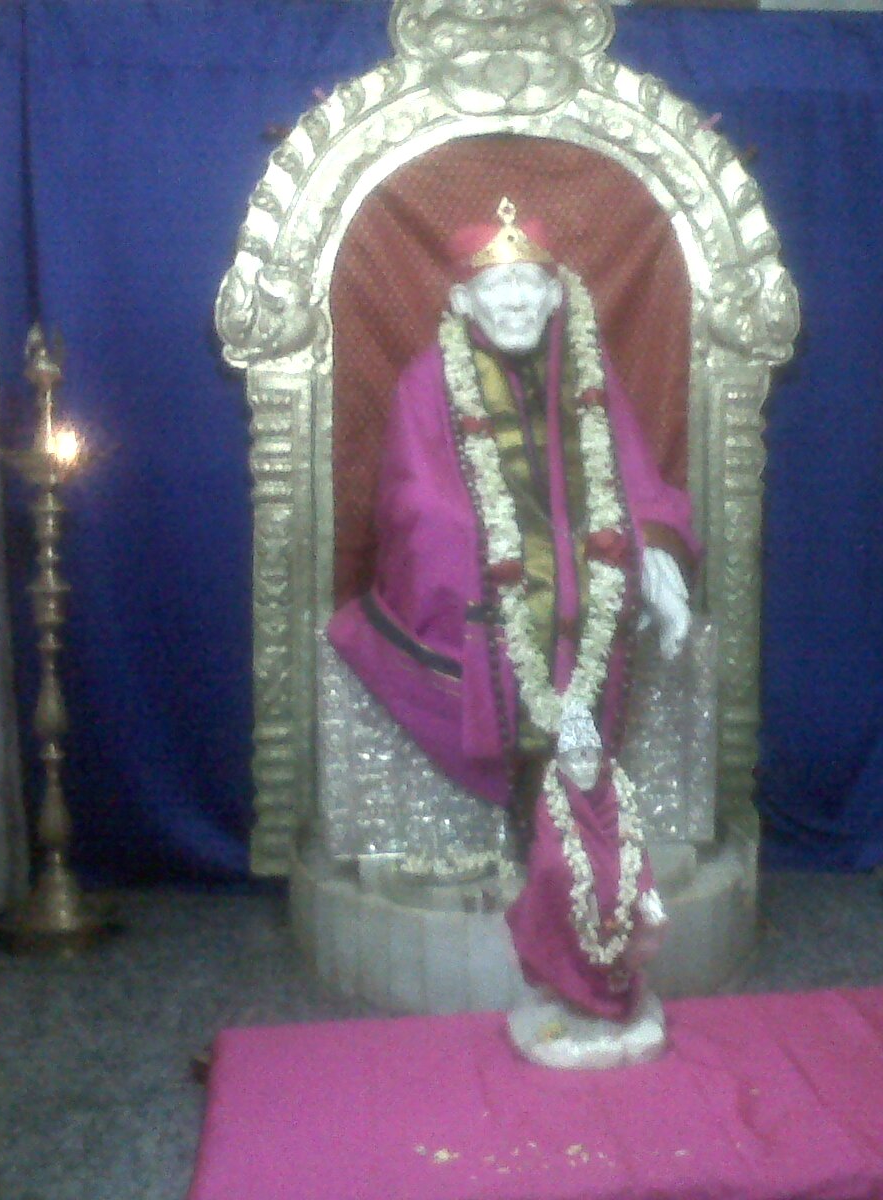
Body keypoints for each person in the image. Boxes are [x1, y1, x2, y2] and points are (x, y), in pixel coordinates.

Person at [327, 198, 699, 1066]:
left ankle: (577, 829)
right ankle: (530, 806)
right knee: (519, 585)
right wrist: (509, 555)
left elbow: (634, 481)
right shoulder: (429, 379)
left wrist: (652, 551)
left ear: (557, 295)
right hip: (483, 595)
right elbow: (414, 501)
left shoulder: (589, 374)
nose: (518, 306)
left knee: (596, 583)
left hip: (578, 592)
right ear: (462, 304)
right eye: (499, 292)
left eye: (532, 288)